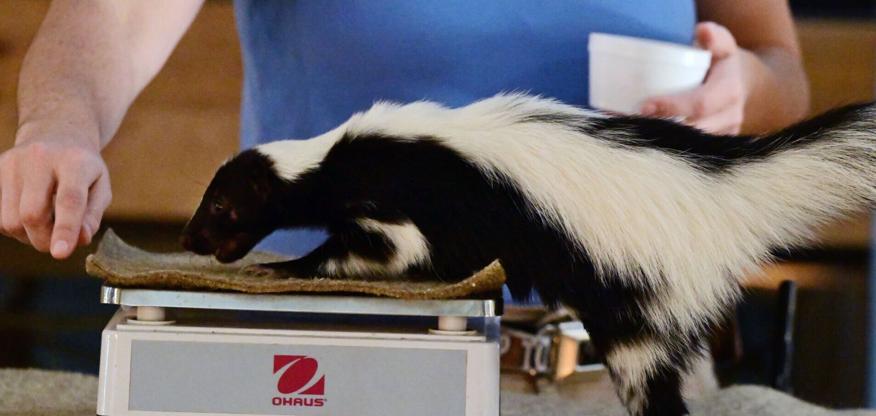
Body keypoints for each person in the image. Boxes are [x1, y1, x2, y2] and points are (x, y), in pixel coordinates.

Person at [0, 0, 809, 260]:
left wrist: (740, 92)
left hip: (627, 368)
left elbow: (779, 66)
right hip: (327, 368)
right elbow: (115, 16)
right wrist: (60, 124)